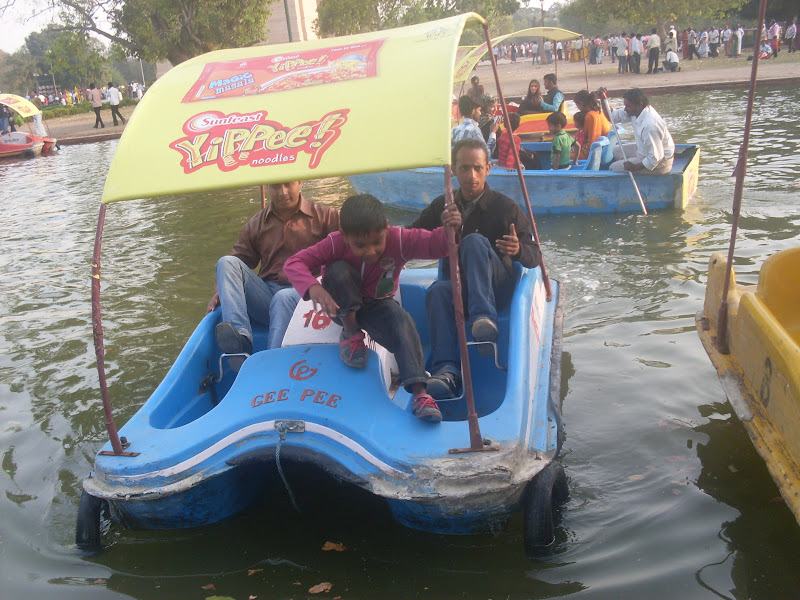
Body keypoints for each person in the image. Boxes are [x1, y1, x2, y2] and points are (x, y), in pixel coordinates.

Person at [284, 194, 460, 422]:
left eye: (377, 242)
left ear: (386, 229)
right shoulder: (335, 242)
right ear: (346, 237)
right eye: (360, 245)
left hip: (378, 304)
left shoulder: (398, 239)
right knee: (338, 272)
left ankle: (420, 393)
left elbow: (437, 246)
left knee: (402, 322)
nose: (370, 251)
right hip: (343, 305)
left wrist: (450, 229)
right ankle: (351, 333)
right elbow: (293, 263)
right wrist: (313, 288)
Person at [410, 138, 542, 400]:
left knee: (473, 242)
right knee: (437, 291)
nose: (471, 175)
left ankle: (484, 320)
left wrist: (517, 250)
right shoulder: (443, 206)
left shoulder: (506, 208)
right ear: (454, 171)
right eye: (465, 168)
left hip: (495, 290)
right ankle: (447, 372)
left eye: (478, 168)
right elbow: (412, 237)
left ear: (488, 169)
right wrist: (443, 229)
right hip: (459, 289)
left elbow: (534, 256)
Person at [208, 181, 339, 370]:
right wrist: (221, 291)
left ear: (300, 182)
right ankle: (240, 339)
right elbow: (238, 262)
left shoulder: (326, 217)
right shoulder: (257, 223)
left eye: (288, 185)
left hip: (309, 300)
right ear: (267, 187)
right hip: (268, 298)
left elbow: (351, 246)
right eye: (276, 186)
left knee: (283, 297)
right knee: (226, 262)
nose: (282, 192)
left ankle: (272, 367)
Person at [601, 87, 674, 174]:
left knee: (613, 167)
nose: (625, 109)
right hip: (645, 152)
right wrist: (603, 98)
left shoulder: (649, 125)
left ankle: (636, 177)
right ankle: (631, 173)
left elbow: (655, 157)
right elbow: (612, 116)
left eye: (628, 106)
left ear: (640, 104)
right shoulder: (636, 111)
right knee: (616, 150)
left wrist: (634, 167)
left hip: (661, 163)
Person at [572, 89, 610, 159]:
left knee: (563, 156)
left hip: (594, 153)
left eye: (577, 104)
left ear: (581, 103)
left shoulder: (590, 116)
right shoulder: (600, 112)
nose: (577, 107)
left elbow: (593, 141)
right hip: (604, 148)